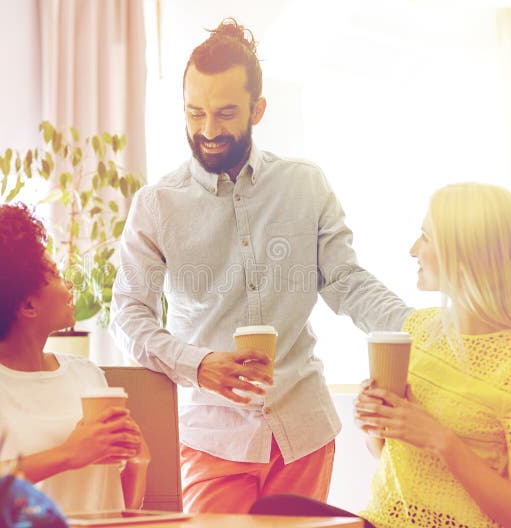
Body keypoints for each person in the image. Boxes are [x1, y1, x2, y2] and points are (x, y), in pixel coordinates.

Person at [109, 18, 411, 513]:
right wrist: (198, 365)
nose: (208, 131)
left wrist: (421, 329)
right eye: (195, 112)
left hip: (304, 433)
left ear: (258, 109)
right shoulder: (157, 205)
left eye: (226, 114)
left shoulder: (305, 185)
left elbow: (347, 282)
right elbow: (129, 316)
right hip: (214, 436)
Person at [253, 182, 511, 527]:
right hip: (379, 521)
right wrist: (380, 420)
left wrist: (441, 440)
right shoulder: (419, 330)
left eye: (426, 237)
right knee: (269, 512)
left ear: (465, 252)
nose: (413, 249)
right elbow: (385, 453)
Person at [0, 203, 149, 513]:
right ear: (28, 305)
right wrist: (69, 453)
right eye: (55, 275)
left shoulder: (87, 375)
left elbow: (120, 509)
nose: (68, 286)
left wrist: (138, 461)